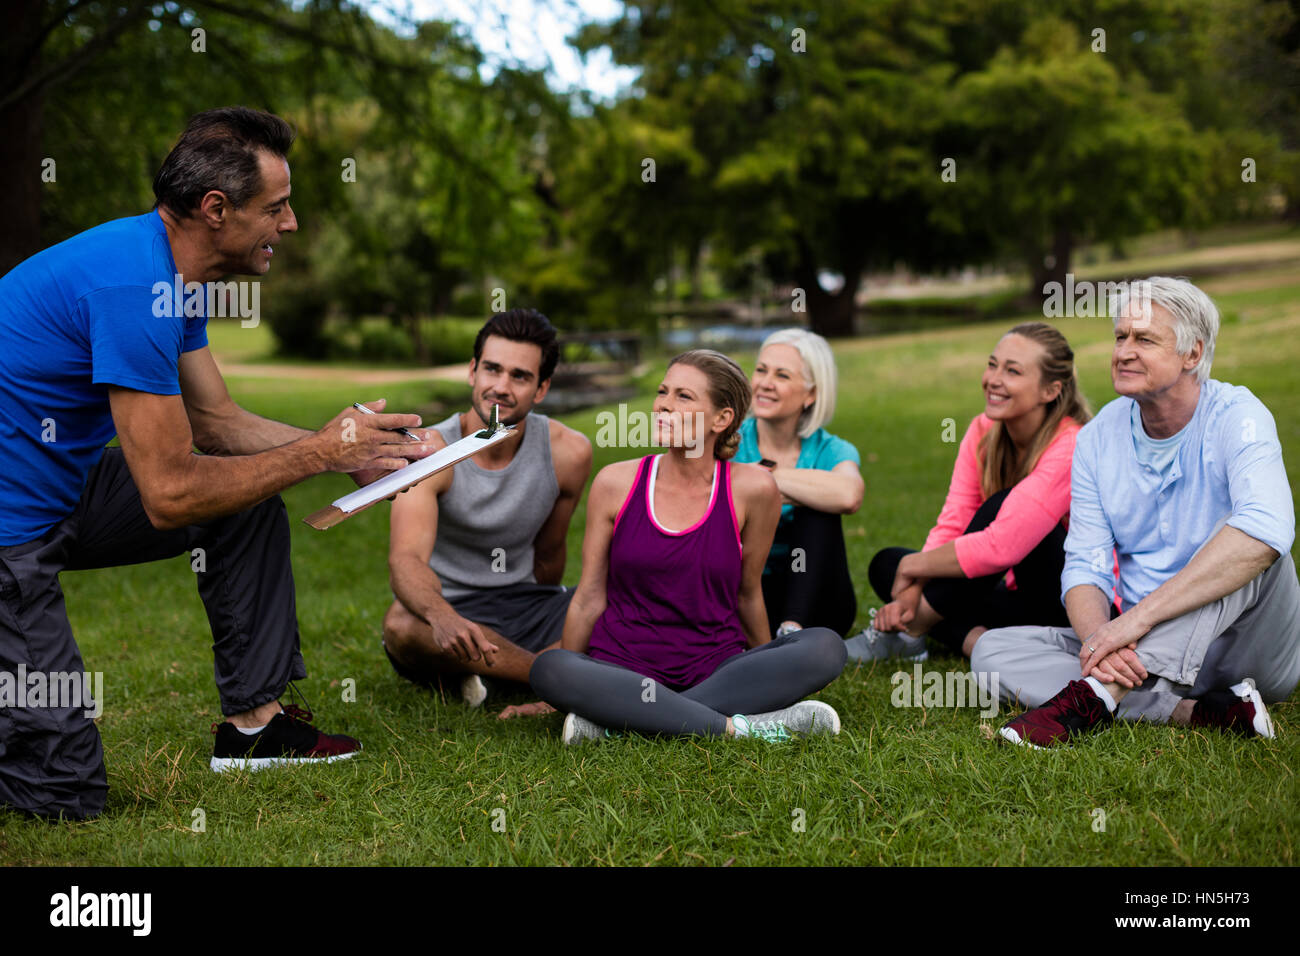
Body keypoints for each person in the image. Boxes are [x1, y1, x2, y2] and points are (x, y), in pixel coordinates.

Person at [0, 107, 437, 818]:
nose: (290, 224)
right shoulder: (133, 289)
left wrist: (347, 456)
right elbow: (170, 492)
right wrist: (319, 450)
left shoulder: (176, 277)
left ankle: (255, 729)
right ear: (215, 209)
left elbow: (218, 423)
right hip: (10, 532)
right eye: (277, 207)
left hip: (62, 492)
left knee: (245, 501)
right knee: (63, 795)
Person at [977, 278, 1299, 747]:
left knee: (1243, 540)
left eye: (1144, 339)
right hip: (1140, 657)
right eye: (1120, 337)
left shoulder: (1239, 416)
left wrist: (1133, 623)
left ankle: (1094, 698)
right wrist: (1099, 643)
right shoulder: (1096, 439)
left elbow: (1266, 530)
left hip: (1246, 649)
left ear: (1192, 353)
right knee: (992, 650)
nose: (1123, 352)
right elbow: (1085, 565)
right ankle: (1194, 712)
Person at [528, 350, 847, 744]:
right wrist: (556, 694)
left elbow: (748, 594)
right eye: (663, 392)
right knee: (550, 668)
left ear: (722, 418)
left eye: (684, 396)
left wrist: (767, 664)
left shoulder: (754, 489)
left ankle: (624, 721)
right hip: (623, 667)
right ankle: (734, 727)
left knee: (825, 647)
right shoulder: (615, 482)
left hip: (715, 669)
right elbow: (589, 596)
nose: (664, 404)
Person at [380, 309, 591, 707]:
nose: (501, 387)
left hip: (527, 605)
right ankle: (550, 676)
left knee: (618, 598)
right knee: (400, 626)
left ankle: (489, 671)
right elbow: (405, 560)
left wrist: (555, 615)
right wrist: (442, 617)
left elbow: (549, 555)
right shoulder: (428, 451)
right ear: (472, 371)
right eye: (492, 369)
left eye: (520, 376)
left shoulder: (569, 452)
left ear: (541, 389)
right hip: (451, 606)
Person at [850, 322, 1091, 663]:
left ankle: (911, 631)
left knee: (1001, 506)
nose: (993, 379)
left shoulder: (1072, 444)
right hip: (1016, 597)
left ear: (1050, 390)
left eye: (1012, 371)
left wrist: (914, 568)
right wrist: (914, 584)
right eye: (992, 365)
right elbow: (955, 522)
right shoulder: (983, 430)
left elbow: (1003, 545)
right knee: (886, 564)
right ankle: (978, 643)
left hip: (1074, 603)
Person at [733, 329, 864, 639]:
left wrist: (761, 478)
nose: (765, 383)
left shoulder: (831, 449)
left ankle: (792, 630)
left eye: (782, 375)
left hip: (819, 601)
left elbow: (848, 495)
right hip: (745, 596)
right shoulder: (729, 442)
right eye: (761, 370)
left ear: (811, 394)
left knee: (817, 509)